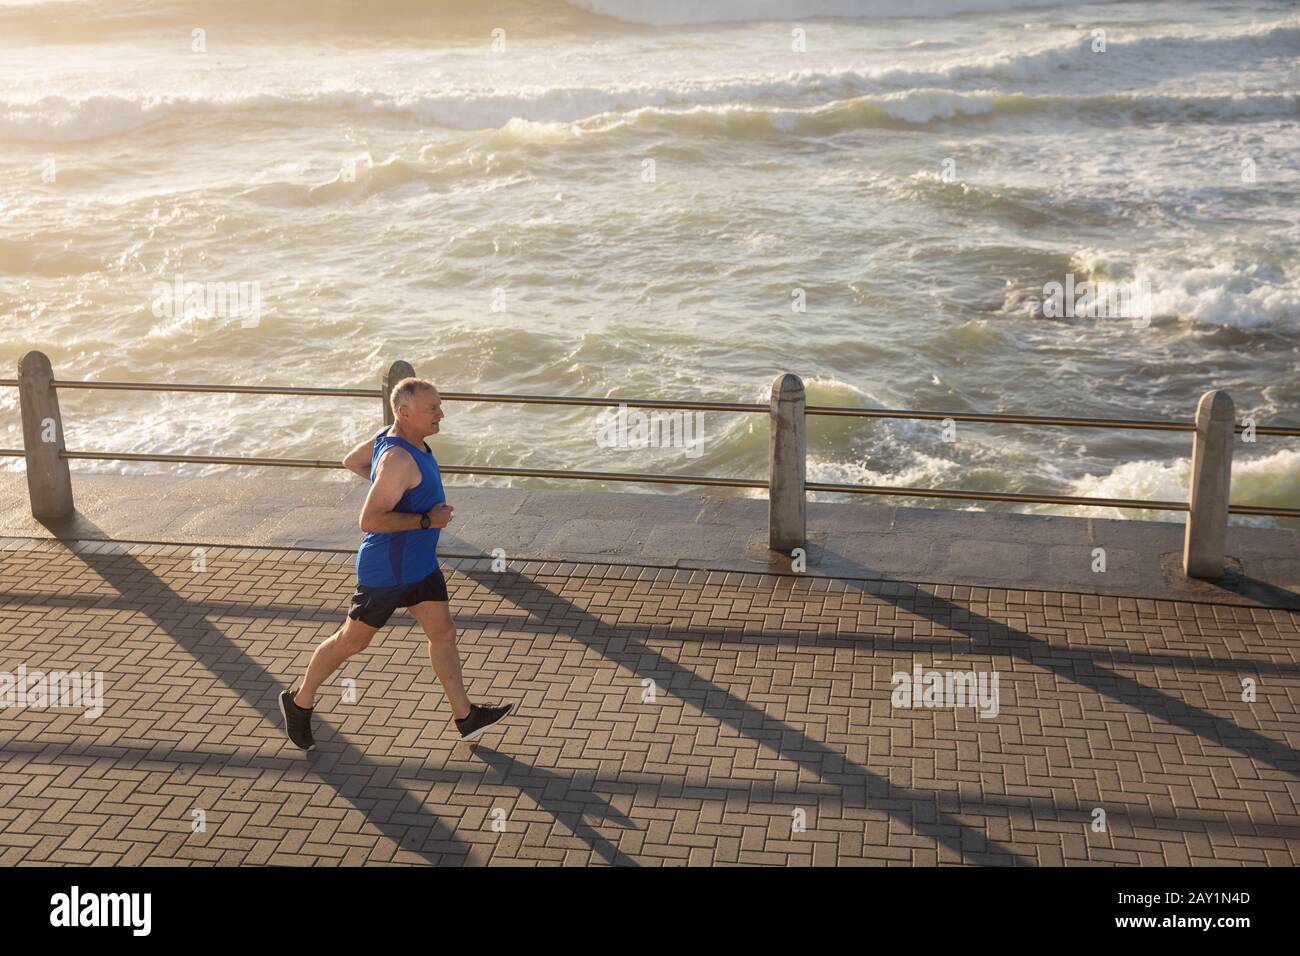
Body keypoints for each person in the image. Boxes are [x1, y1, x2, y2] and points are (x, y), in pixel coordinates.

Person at [279, 377, 514, 749]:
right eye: (432, 408)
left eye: (439, 404)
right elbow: (369, 520)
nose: (441, 413)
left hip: (420, 567)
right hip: (387, 571)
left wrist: (395, 493)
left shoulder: (399, 440)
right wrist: (425, 519)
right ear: (404, 412)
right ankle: (298, 701)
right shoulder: (397, 459)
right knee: (351, 642)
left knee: (444, 635)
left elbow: (352, 460)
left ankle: (466, 717)